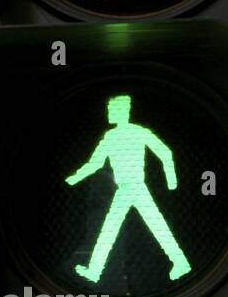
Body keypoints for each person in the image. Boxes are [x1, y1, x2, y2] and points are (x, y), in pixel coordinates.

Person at [65, 95, 192, 283]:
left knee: (119, 229)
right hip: (127, 188)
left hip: (133, 187)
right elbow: (95, 163)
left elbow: (165, 153)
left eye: (112, 109)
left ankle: (94, 270)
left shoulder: (121, 135)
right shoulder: (124, 134)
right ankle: (94, 270)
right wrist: (73, 179)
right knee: (127, 228)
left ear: (122, 111)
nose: (108, 112)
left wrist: (171, 182)